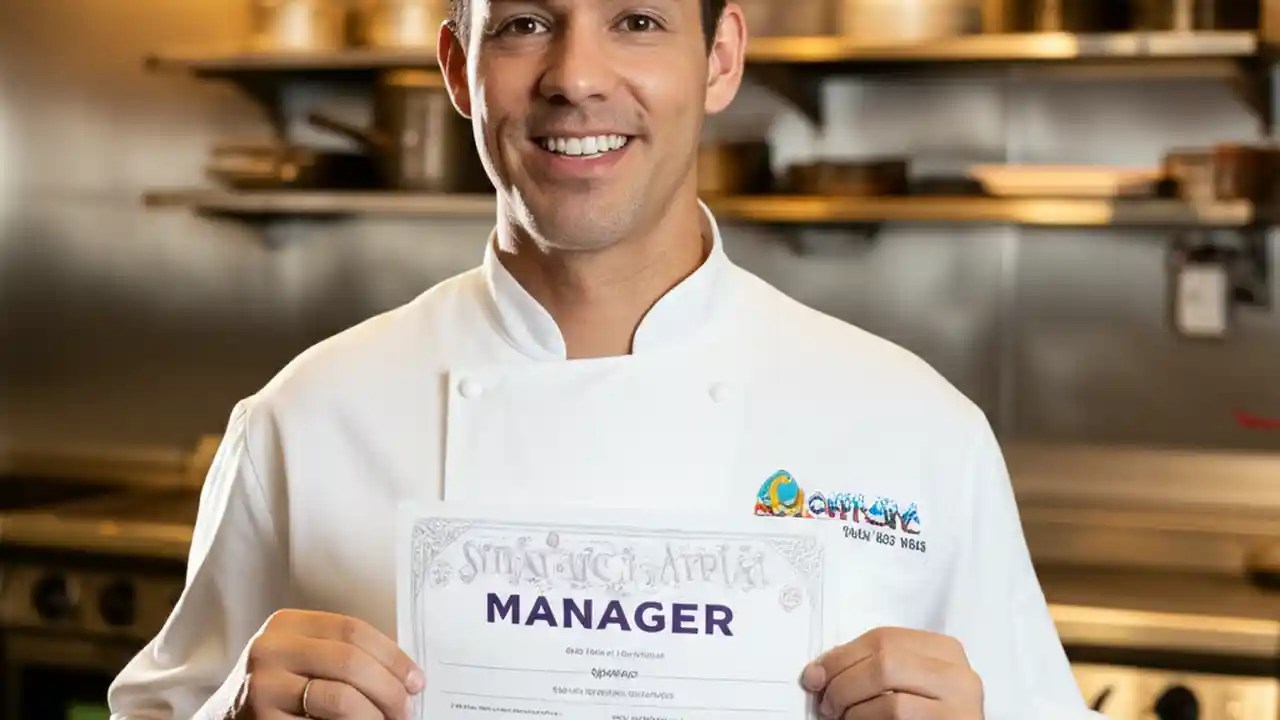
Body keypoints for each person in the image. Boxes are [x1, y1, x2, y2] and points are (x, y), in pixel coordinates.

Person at [109, 0, 1098, 718]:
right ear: (457, 67)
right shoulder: (303, 419)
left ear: (719, 59)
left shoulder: (919, 429)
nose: (574, 76)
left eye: (635, 20)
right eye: (524, 23)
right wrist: (228, 716)